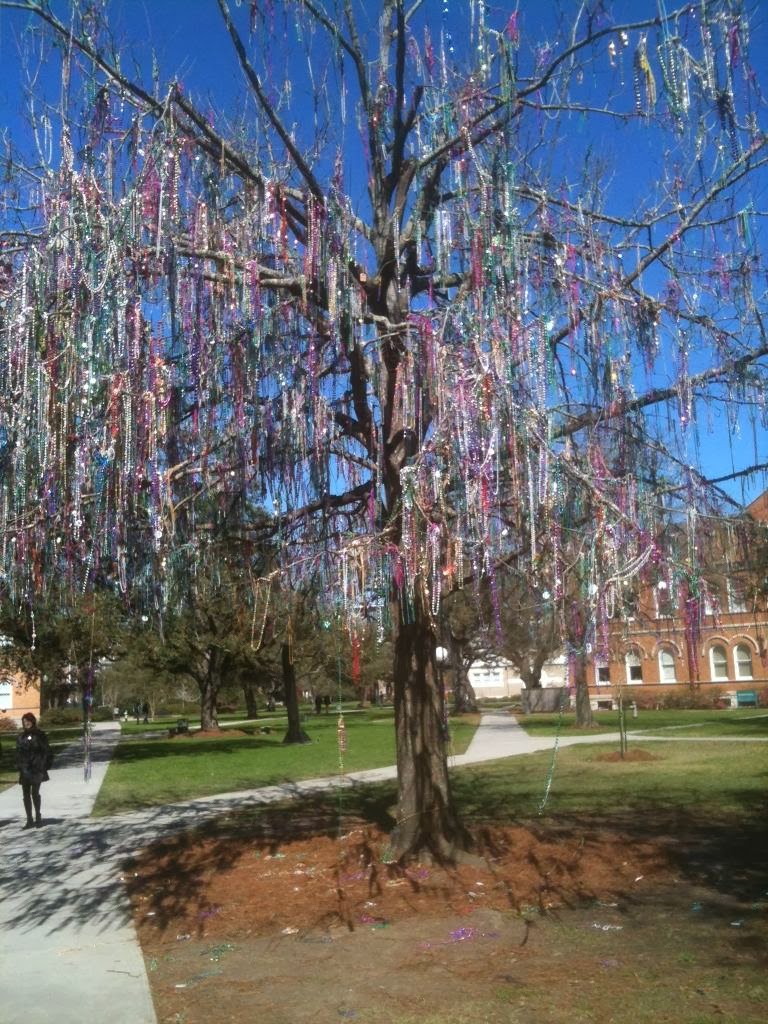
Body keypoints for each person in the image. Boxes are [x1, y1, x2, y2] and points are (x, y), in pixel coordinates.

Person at [16, 713, 51, 830]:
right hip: (25, 769)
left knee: (34, 793)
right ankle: (29, 819)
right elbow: (19, 753)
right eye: (24, 721)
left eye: (28, 721)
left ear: (33, 721)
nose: (26, 723)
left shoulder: (40, 735)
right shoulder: (21, 736)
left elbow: (46, 751)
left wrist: (43, 765)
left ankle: (38, 817)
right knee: (25, 794)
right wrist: (21, 766)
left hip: (37, 768)